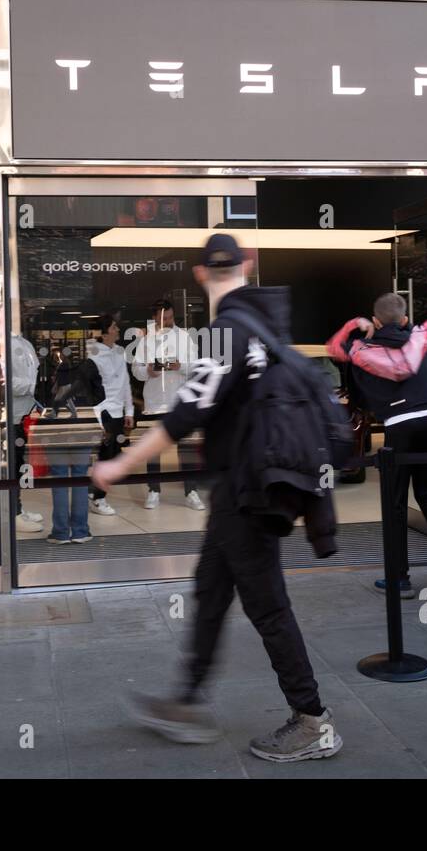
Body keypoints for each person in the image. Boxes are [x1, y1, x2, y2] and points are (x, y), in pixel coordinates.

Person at [92, 233, 343, 763]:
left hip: (246, 493)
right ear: (247, 266)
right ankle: (185, 700)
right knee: (210, 591)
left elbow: (185, 414)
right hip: (244, 489)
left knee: (267, 607)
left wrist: (118, 463)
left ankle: (313, 719)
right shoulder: (264, 329)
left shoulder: (227, 332)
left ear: (200, 273)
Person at [326, 293, 427, 598]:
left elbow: (333, 348)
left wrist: (353, 324)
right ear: (404, 319)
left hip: (398, 425)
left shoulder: (364, 347)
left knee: (396, 502)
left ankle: (399, 579)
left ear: (375, 321)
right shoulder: (418, 342)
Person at [132, 298, 204, 511]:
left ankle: (191, 491)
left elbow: (195, 367)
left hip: (180, 401)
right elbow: (136, 370)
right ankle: (154, 490)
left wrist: (181, 366)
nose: (169, 321)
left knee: (186, 449)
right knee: (153, 450)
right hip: (155, 403)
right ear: (155, 317)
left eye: (171, 317)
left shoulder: (185, 338)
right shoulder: (146, 341)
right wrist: (149, 371)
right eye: (164, 318)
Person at [83, 313, 134, 516]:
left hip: (118, 412)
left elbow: (125, 384)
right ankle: (98, 498)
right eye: (114, 327)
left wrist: (129, 410)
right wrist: (99, 417)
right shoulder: (93, 356)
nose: (118, 330)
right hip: (103, 413)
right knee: (106, 457)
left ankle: (93, 490)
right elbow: (90, 391)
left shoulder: (120, 352)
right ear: (104, 334)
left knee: (114, 456)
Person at [9, 328, 44, 533]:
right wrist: (33, 387)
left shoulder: (25, 343)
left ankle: (18, 509)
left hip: (23, 413)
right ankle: (14, 513)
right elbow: (7, 381)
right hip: (11, 415)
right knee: (14, 466)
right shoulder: (7, 343)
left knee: (20, 464)